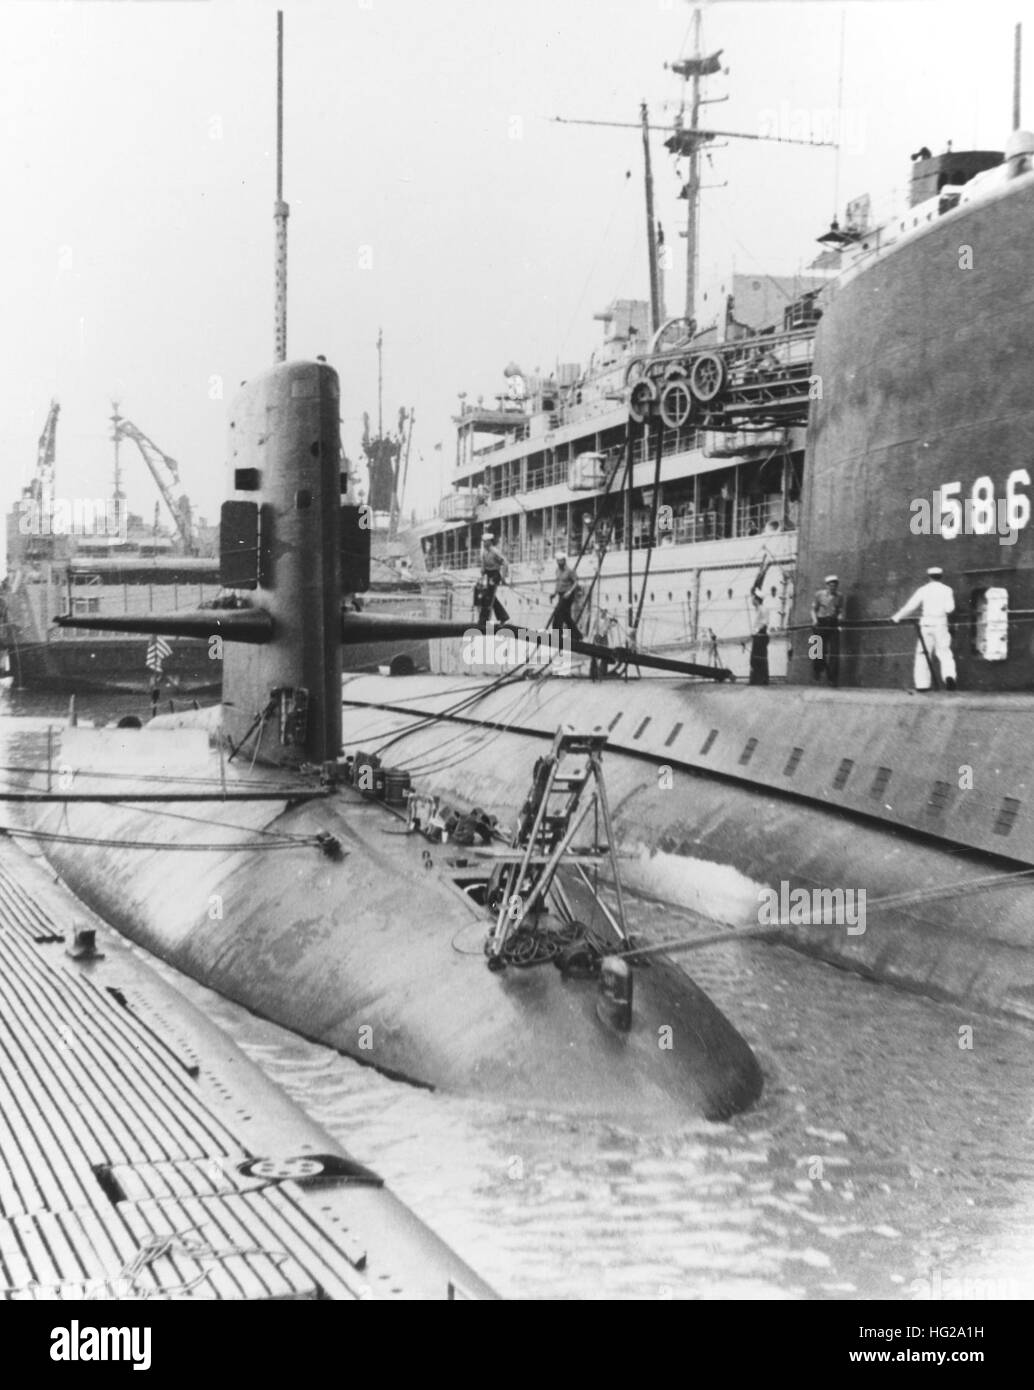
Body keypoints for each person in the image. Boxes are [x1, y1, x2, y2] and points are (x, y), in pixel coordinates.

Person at [891, 565, 957, 691]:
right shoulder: (947, 590)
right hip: (941, 624)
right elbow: (950, 609)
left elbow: (910, 606)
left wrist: (896, 617)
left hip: (926, 624)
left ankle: (922, 685)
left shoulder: (923, 590)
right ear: (941, 577)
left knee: (922, 654)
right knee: (944, 652)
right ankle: (949, 676)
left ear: (929, 577)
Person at [810, 574, 843, 686]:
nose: (833, 588)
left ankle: (832, 678)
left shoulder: (839, 596)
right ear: (827, 585)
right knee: (818, 649)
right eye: (831, 585)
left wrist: (840, 617)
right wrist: (814, 620)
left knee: (834, 652)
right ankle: (817, 670)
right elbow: (813, 610)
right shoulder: (819, 595)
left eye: (835, 585)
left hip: (833, 623)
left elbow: (840, 610)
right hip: (821, 622)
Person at [477, 532, 509, 625]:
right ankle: (503, 617)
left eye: (485, 541)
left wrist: (503, 577)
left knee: (488, 596)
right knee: (488, 596)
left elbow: (505, 563)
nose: (483, 543)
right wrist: (482, 571)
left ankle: (483, 620)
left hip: (495, 575)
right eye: (483, 541)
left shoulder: (495, 551)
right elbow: (483, 565)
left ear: (490, 542)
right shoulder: (484, 552)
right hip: (488, 575)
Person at [550, 553, 582, 641]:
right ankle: (577, 635)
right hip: (561, 595)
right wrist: (554, 594)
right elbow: (558, 584)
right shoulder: (557, 571)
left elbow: (576, 582)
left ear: (564, 561)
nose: (559, 562)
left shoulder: (569, 571)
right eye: (558, 561)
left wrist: (570, 591)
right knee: (566, 616)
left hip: (568, 595)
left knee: (557, 613)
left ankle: (557, 636)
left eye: (561, 561)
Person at [749, 589, 770, 685]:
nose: (752, 600)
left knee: (759, 657)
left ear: (757, 599)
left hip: (761, 636)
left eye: (754, 598)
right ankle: (756, 679)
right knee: (755, 658)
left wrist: (756, 631)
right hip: (757, 636)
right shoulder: (757, 609)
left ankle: (761, 680)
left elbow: (764, 623)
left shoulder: (763, 609)